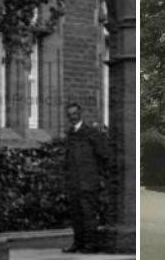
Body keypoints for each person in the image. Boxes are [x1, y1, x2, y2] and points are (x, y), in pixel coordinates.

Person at [63, 103, 110, 253]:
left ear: (80, 114)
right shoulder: (70, 134)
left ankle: (90, 245)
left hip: (89, 182)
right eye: (70, 115)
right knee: (76, 215)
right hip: (74, 183)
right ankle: (78, 243)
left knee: (89, 215)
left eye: (75, 114)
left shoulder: (91, 133)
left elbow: (103, 155)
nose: (73, 117)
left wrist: (98, 177)